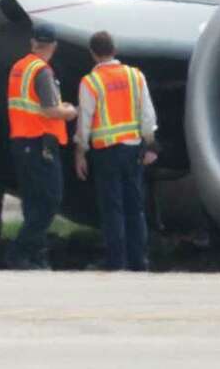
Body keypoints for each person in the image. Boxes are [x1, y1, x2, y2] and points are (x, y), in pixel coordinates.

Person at [73, 29, 156, 272]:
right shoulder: (135, 76)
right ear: (115, 50)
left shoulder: (90, 82)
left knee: (112, 208)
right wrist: (150, 144)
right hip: (133, 149)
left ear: (92, 54)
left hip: (106, 153)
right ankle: (139, 261)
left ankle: (116, 261)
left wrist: (80, 151)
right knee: (135, 207)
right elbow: (148, 115)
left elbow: (85, 120)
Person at [5, 23, 76, 270]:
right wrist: (70, 111)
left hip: (22, 140)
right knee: (50, 199)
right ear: (53, 46)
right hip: (39, 142)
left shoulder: (19, 67)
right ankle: (19, 252)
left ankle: (34, 256)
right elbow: (49, 109)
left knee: (33, 201)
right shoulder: (42, 71)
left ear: (33, 42)